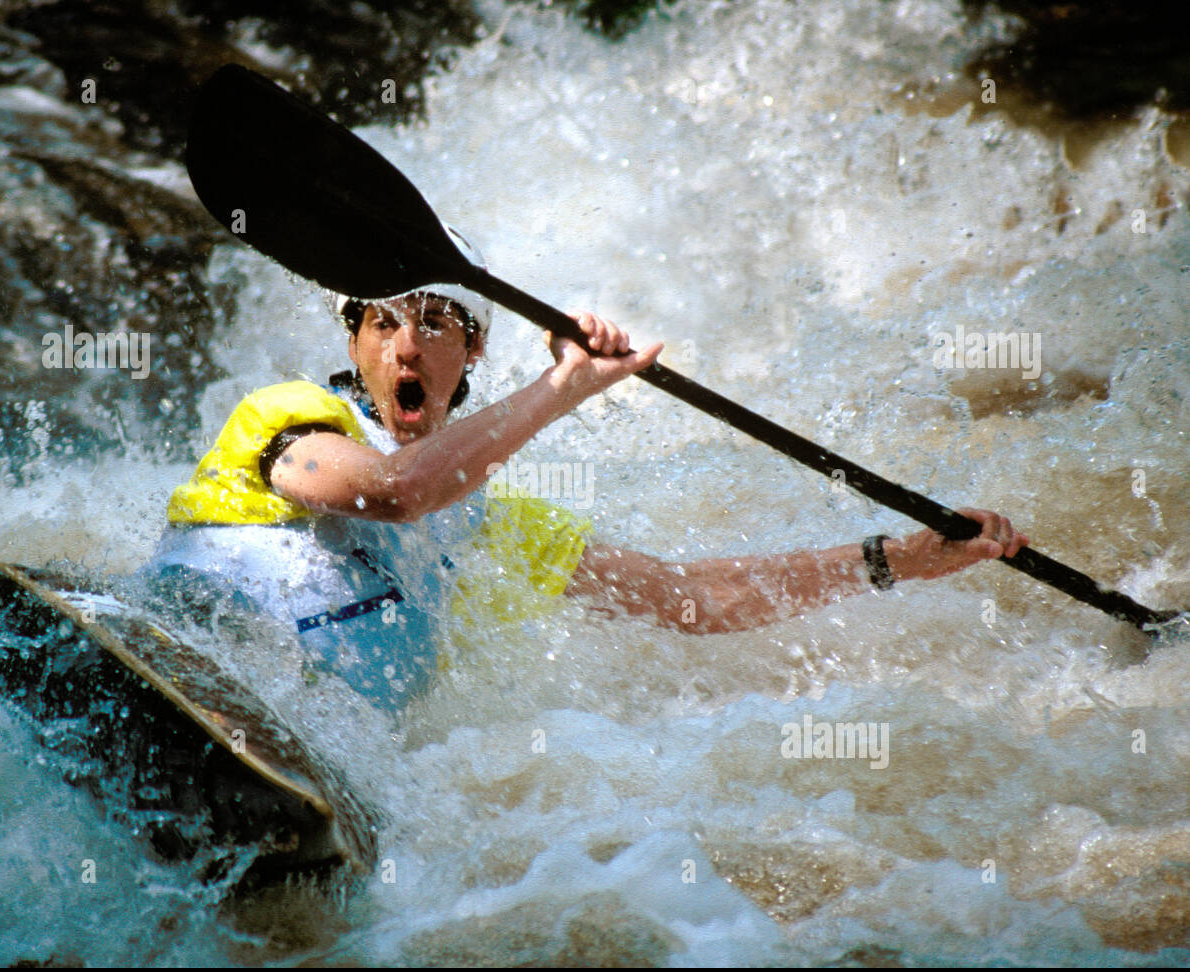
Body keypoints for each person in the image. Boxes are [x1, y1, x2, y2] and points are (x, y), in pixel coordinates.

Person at [147, 226, 1027, 709]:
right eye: (381, 323)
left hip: (300, 733)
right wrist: (565, 386)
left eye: (434, 324)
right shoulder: (293, 414)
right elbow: (395, 492)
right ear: (353, 341)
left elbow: (687, 600)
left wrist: (898, 560)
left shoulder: (491, 519)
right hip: (186, 648)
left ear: (475, 348)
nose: (405, 345)